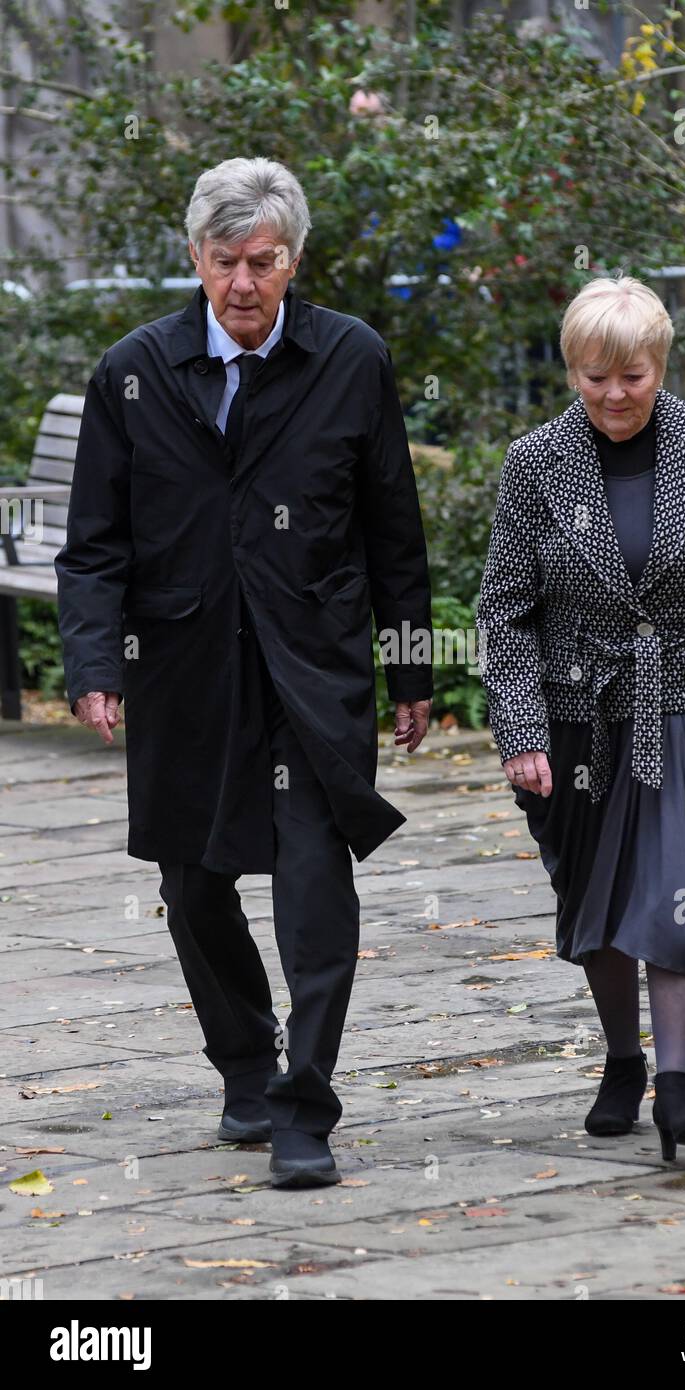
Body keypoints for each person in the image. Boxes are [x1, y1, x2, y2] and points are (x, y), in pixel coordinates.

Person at [54, 157, 434, 1189]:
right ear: (194, 258)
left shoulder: (348, 359)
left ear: (292, 259)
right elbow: (93, 545)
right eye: (224, 262)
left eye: (262, 261)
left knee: (317, 885)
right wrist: (94, 664)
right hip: (183, 671)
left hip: (312, 668)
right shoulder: (132, 373)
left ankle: (304, 1105)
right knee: (193, 887)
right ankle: (245, 1062)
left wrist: (409, 670)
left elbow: (392, 530)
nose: (242, 284)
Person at [475, 274, 685, 1161]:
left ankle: (678, 1084)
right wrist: (523, 731)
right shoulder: (536, 461)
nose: (615, 395)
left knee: (680, 891)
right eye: (594, 377)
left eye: (634, 376)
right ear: (572, 372)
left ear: (662, 366)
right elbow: (502, 610)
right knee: (598, 901)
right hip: (582, 713)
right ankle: (623, 1059)